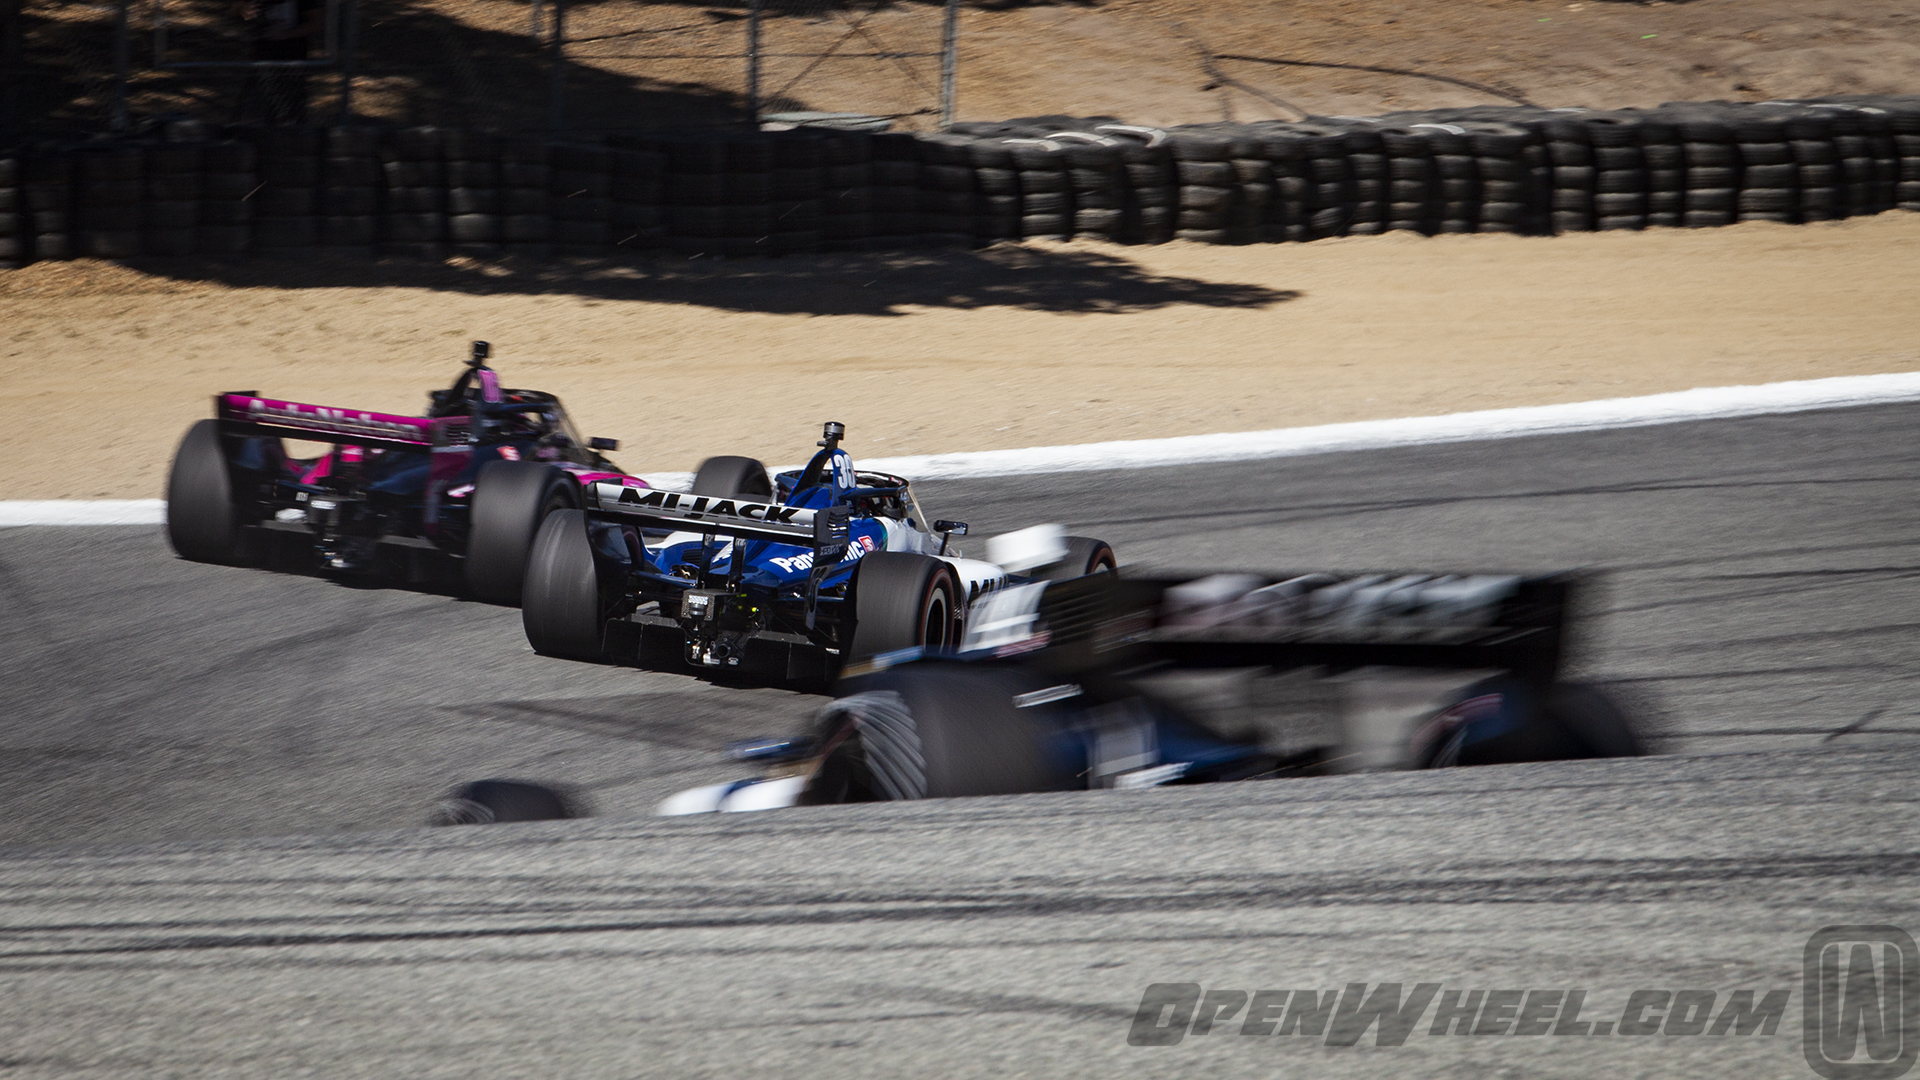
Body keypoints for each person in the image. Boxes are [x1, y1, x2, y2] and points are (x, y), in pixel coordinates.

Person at [233, 0, 322, 124]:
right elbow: (236, 9)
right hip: (261, 59)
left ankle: (291, 129)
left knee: (291, 111)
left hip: (292, 61)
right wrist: (244, 10)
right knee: (258, 109)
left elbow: (315, 23)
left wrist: (285, 34)